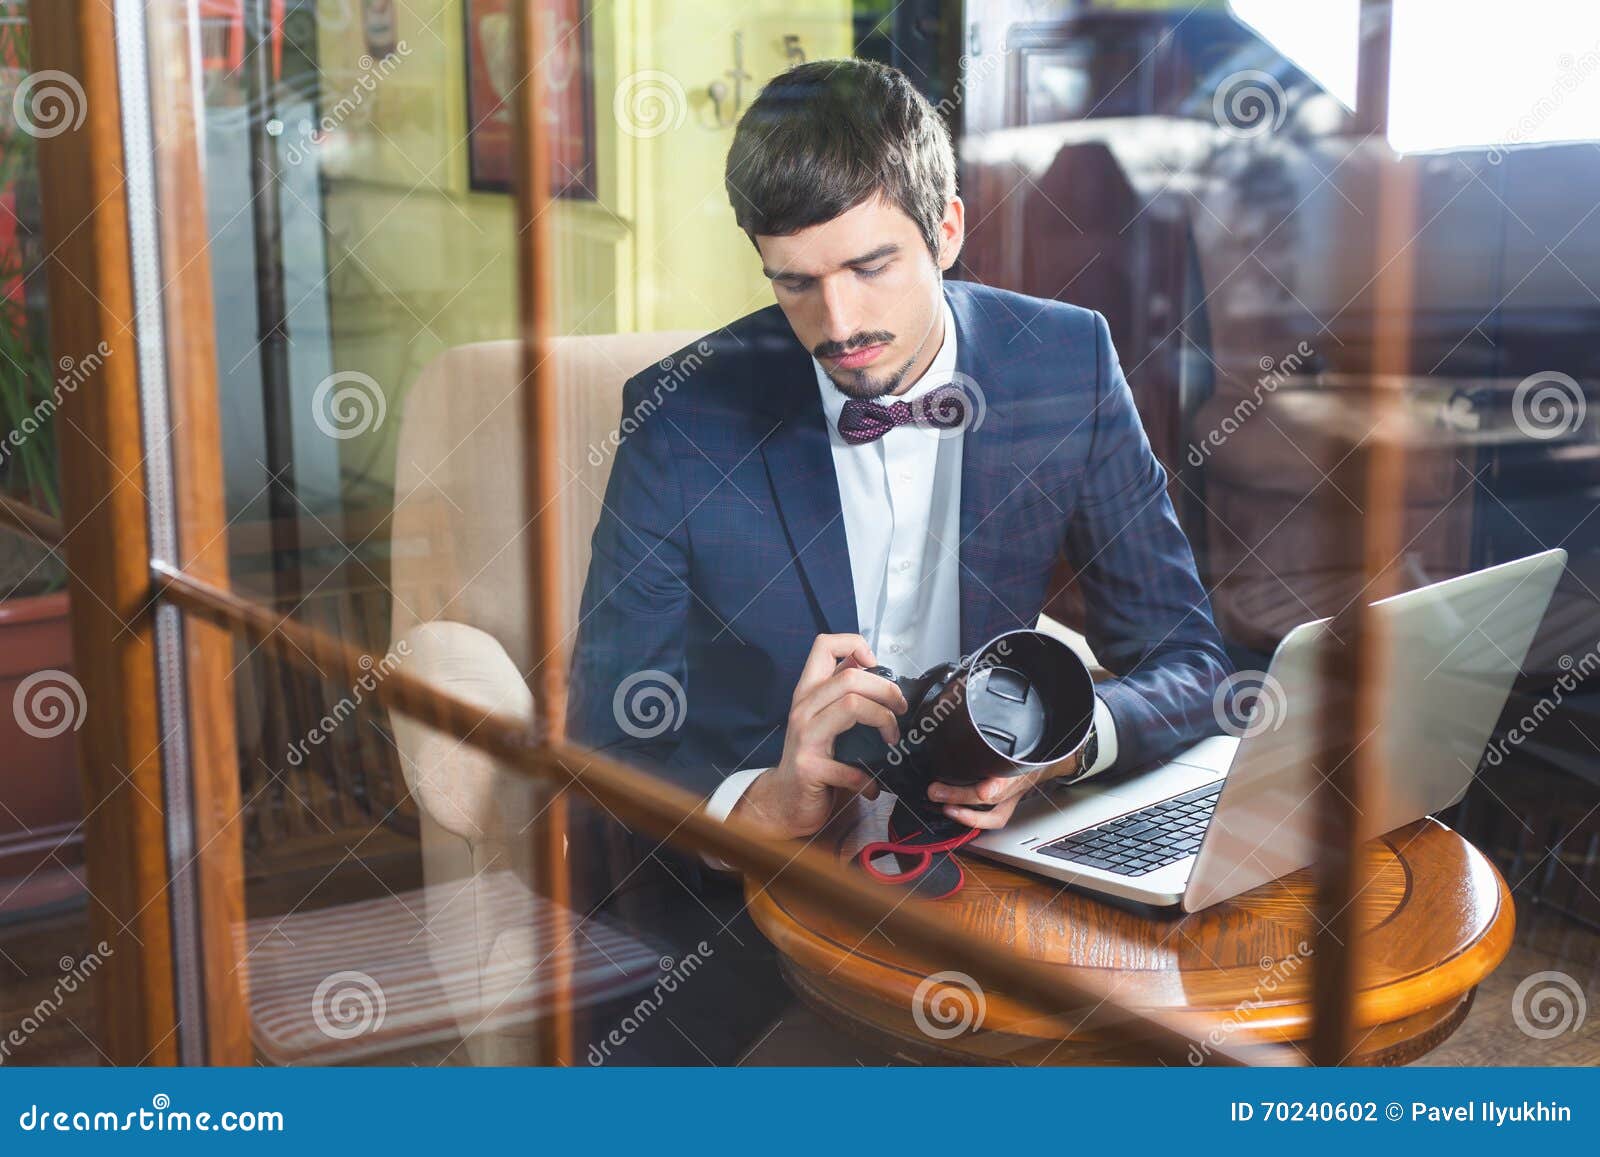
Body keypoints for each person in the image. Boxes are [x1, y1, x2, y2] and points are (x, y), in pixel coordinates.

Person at [565, 59, 1230, 1063]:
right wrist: (765, 801)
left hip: (998, 849)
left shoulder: (1069, 362)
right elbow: (605, 734)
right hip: (748, 881)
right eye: (796, 282)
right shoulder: (679, 419)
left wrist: (1068, 738)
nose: (837, 325)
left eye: (870, 266)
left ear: (948, 229)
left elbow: (1187, 658)